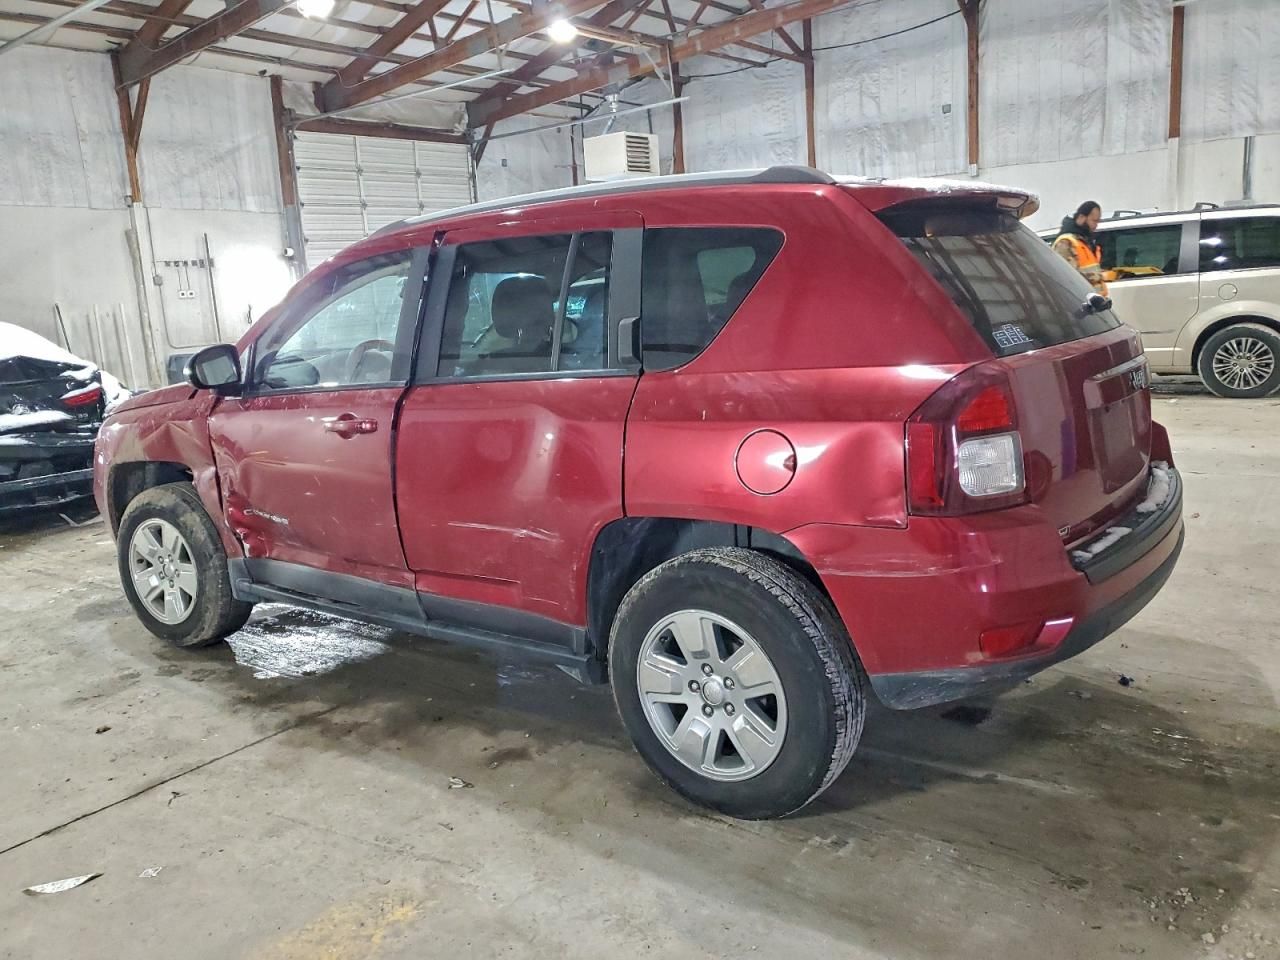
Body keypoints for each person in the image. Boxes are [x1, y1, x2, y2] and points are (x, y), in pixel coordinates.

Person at [1052, 201, 1108, 295]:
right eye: (1094, 221)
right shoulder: (1066, 242)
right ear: (1081, 217)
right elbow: (1066, 278)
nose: (1096, 225)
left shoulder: (1085, 241)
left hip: (1094, 302)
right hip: (1081, 301)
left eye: (1098, 221)